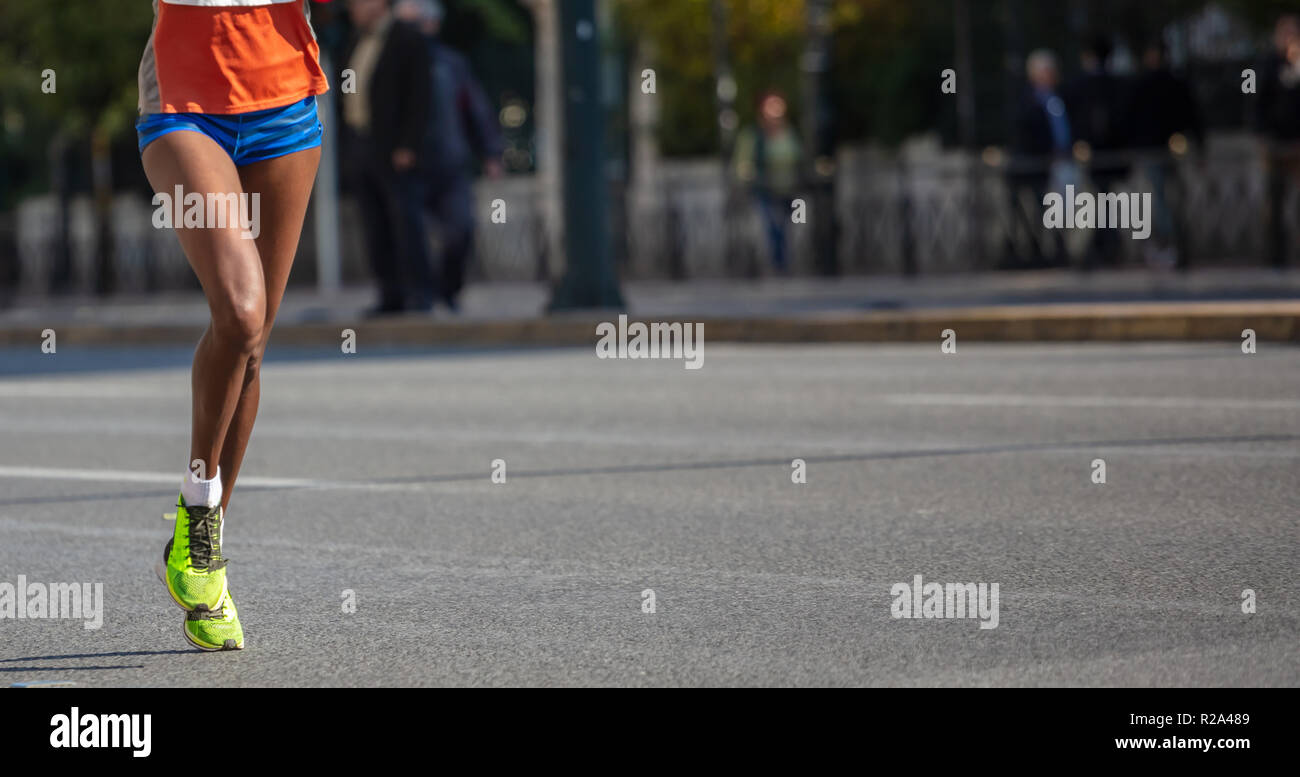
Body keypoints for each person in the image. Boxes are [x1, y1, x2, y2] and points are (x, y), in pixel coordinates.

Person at [135, 0, 331, 650]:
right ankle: (199, 504)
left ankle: (205, 550)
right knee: (241, 311)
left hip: (285, 106)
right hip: (184, 103)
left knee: (254, 343)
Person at [394, 0, 504, 312]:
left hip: (450, 162)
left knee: (462, 228)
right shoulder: (394, 63)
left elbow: (476, 109)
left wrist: (491, 152)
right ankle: (420, 296)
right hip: (410, 164)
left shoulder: (451, 64)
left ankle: (449, 289)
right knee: (411, 237)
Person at [339, 0, 433, 315]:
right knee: (374, 224)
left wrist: (408, 145)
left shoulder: (407, 38)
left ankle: (419, 294)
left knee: (406, 222)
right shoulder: (355, 40)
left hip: (395, 148)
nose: (353, 8)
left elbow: (420, 96)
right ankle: (390, 295)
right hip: (362, 144)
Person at [1125, 37, 1202, 269]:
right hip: (1161, 147)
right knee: (1164, 197)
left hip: (1158, 148)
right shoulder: (1164, 82)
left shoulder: (1157, 83)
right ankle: (1170, 241)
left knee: (1167, 197)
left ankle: (1171, 241)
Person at [1065, 36, 1130, 269]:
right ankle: (1104, 244)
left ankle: (1102, 246)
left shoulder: (1083, 85)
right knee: (1102, 200)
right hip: (1105, 154)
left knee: (1101, 200)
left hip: (1097, 154)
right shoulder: (1116, 85)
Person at [1008, 50, 1071, 268]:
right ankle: (1040, 250)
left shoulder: (1060, 96)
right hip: (1037, 163)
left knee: (1062, 206)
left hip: (1063, 160)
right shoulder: (1027, 98)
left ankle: (1059, 247)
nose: (1050, 75)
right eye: (1045, 71)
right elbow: (1025, 130)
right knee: (1040, 208)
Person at [732, 91, 802, 274]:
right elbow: (742, 161)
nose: (775, 110)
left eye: (778, 105)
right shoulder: (754, 134)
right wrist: (745, 173)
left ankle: (785, 261)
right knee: (772, 226)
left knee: (788, 226)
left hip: (789, 188)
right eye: (771, 105)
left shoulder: (790, 132)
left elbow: (799, 156)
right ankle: (779, 264)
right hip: (764, 188)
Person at [1256, 14, 1300, 268]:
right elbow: (1255, 98)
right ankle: (1275, 256)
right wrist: (1262, 135)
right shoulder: (1266, 65)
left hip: (1297, 142)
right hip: (1275, 143)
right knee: (1274, 202)